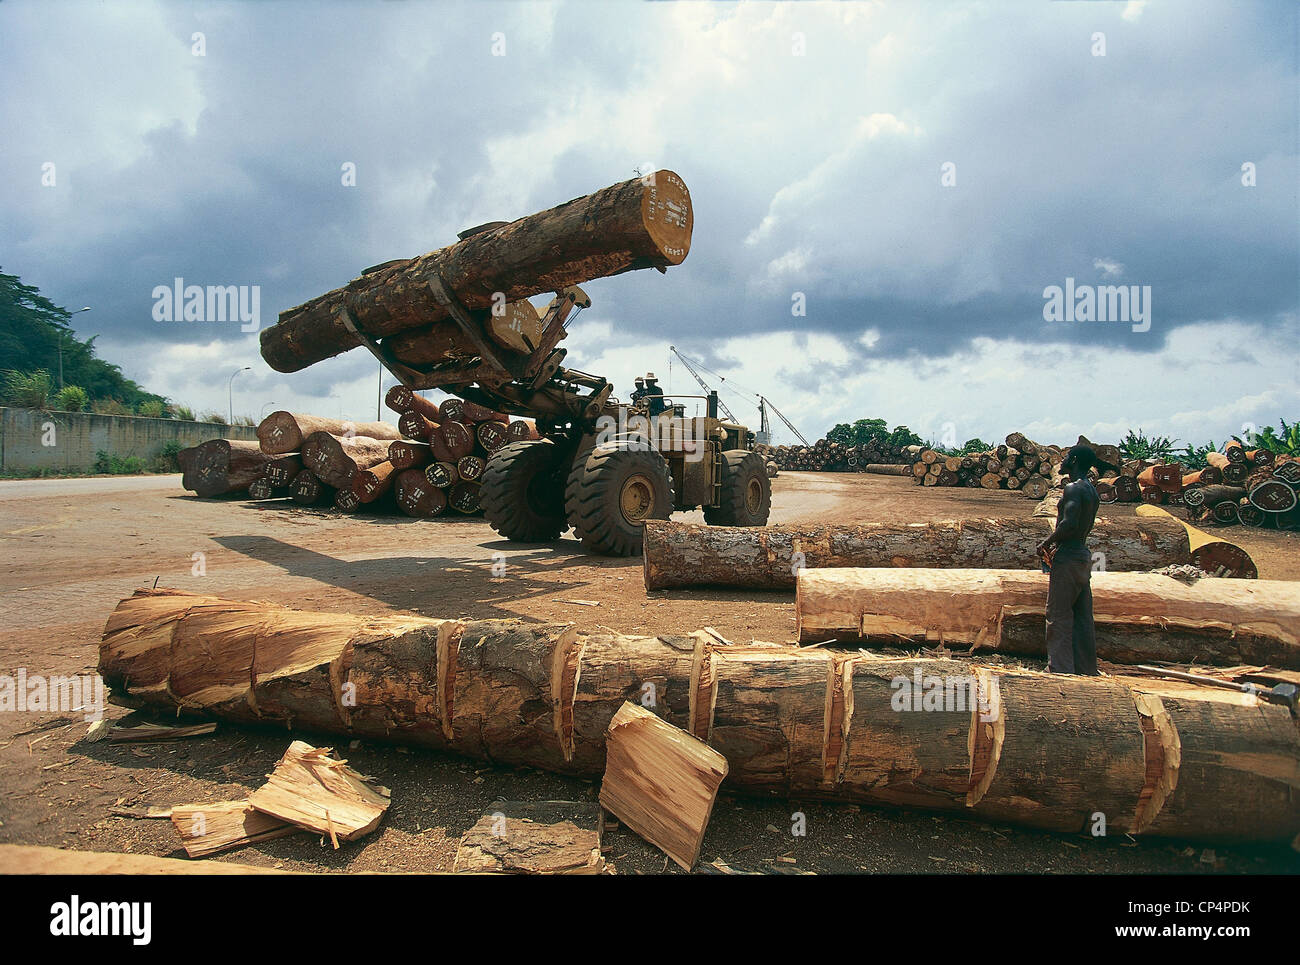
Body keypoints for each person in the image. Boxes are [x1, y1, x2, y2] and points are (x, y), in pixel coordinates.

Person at [1035, 444, 1102, 675]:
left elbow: (1069, 524)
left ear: (1073, 460)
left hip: (1069, 555)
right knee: (1083, 616)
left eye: (1065, 458)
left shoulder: (1073, 488)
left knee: (1058, 615)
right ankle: (1086, 669)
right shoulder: (1092, 490)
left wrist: (1047, 542)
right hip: (1083, 555)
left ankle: (1060, 669)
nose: (1061, 461)